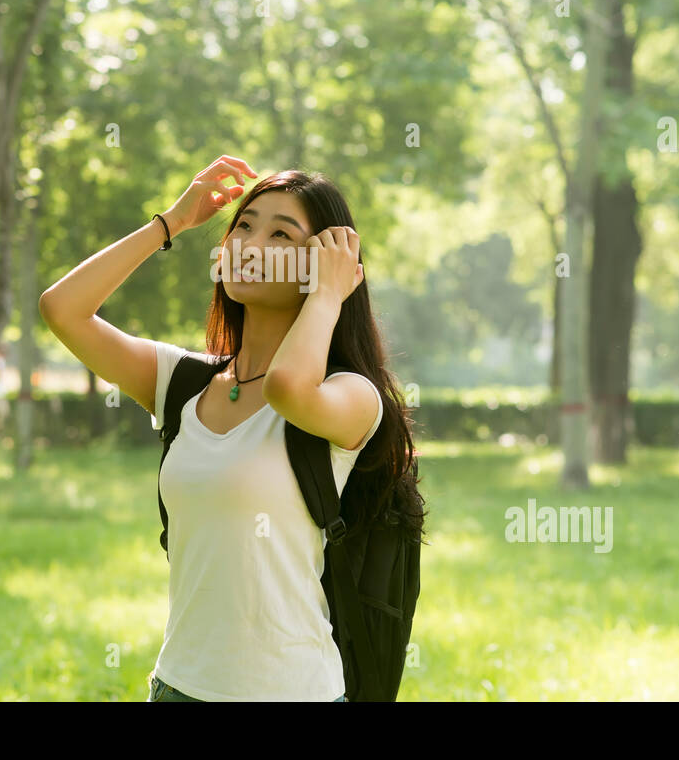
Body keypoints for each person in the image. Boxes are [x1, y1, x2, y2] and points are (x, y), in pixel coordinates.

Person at [39, 156, 423, 701]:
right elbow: (62, 309)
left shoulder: (353, 396)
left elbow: (289, 389)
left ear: (321, 264)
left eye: (280, 234)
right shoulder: (183, 382)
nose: (249, 242)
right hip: (177, 688)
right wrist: (170, 223)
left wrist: (329, 296)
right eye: (244, 224)